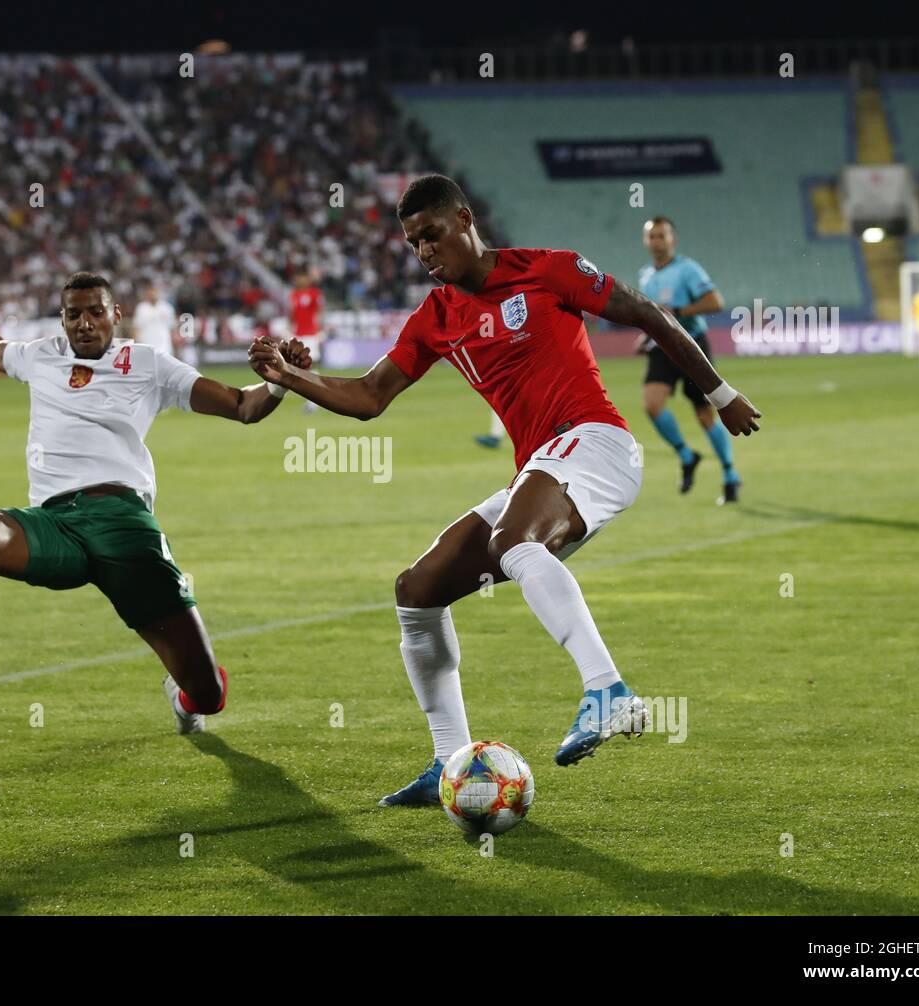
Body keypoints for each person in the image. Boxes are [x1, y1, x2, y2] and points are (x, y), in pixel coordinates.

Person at [249, 175, 761, 804]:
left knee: (512, 539)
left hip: (597, 442)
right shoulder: (435, 318)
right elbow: (368, 397)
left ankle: (608, 691)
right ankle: (447, 761)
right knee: (417, 590)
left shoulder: (546, 270)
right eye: (413, 244)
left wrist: (720, 392)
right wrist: (290, 376)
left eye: (432, 235)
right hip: (541, 466)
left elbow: (646, 313)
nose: (424, 252)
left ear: (464, 219)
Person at [0, 272, 311, 735]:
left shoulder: (147, 364)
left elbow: (243, 407)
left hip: (125, 525)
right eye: (73, 314)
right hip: (55, 523)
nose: (84, 322)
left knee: (208, 692)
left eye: (95, 311)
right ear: (62, 319)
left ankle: (186, 700)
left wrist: (276, 381)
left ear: (116, 315)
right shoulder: (42, 354)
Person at [636, 217, 740, 502]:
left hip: (691, 344)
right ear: (646, 242)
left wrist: (678, 311)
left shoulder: (688, 269)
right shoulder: (645, 275)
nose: (657, 241)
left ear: (673, 239)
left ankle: (730, 474)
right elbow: (653, 316)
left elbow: (715, 302)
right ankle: (686, 454)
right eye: (652, 236)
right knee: (652, 405)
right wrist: (646, 337)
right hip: (663, 347)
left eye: (662, 236)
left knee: (705, 415)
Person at [289, 269, 325, 414]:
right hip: (298, 334)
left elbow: (320, 312)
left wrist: (320, 330)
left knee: (310, 364)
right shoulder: (293, 295)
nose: (299, 280)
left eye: (301, 277)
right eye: (297, 277)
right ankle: (311, 396)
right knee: (298, 366)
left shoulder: (315, 294)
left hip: (310, 334)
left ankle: (314, 400)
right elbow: (292, 314)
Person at [132, 283, 177, 356]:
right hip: (146, 342)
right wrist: (135, 344)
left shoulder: (167, 308)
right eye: (150, 292)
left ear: (158, 293)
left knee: (164, 365)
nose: (152, 294)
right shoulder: (141, 308)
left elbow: (172, 328)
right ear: (147, 294)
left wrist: (175, 345)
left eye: (154, 292)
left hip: (164, 343)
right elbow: (136, 327)